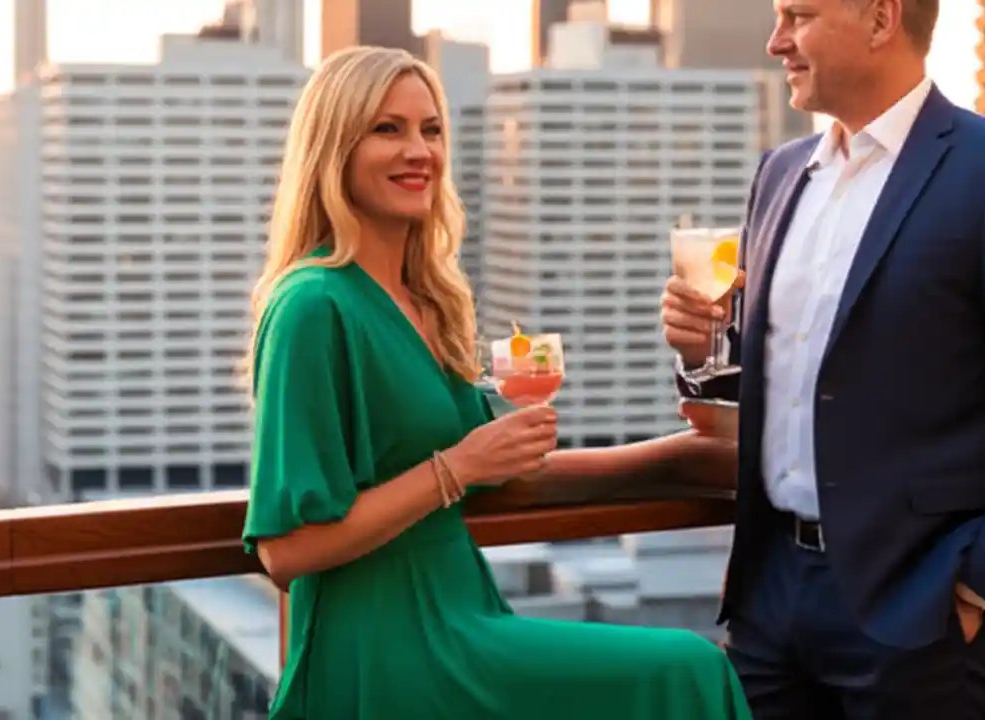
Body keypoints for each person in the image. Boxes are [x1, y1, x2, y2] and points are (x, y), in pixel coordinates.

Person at [242, 46, 753, 719]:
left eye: (431, 130)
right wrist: (454, 468)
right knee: (685, 673)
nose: (418, 149)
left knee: (685, 670)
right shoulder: (313, 305)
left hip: (463, 611)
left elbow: (495, 470)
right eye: (386, 129)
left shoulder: (419, 298)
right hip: (383, 644)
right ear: (333, 148)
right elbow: (287, 549)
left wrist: (674, 457)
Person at [660, 1, 985, 718]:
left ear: (881, 19)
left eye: (798, 15)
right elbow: (781, 384)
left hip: (921, 614)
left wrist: (983, 587)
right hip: (769, 597)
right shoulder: (779, 175)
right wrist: (700, 352)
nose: (775, 39)